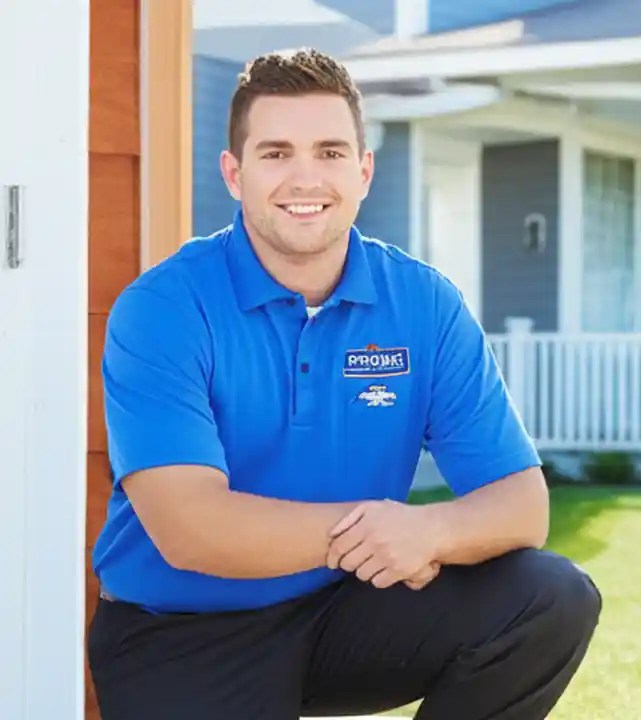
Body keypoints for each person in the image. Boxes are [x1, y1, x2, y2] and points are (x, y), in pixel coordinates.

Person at [87, 47, 601, 720]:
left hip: (344, 611)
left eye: (330, 153)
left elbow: (521, 506)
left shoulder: (423, 303)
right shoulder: (164, 308)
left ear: (363, 172)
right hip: (182, 628)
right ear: (234, 175)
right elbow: (193, 528)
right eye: (276, 154)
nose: (306, 178)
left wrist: (433, 532)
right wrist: (381, 532)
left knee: (549, 595)